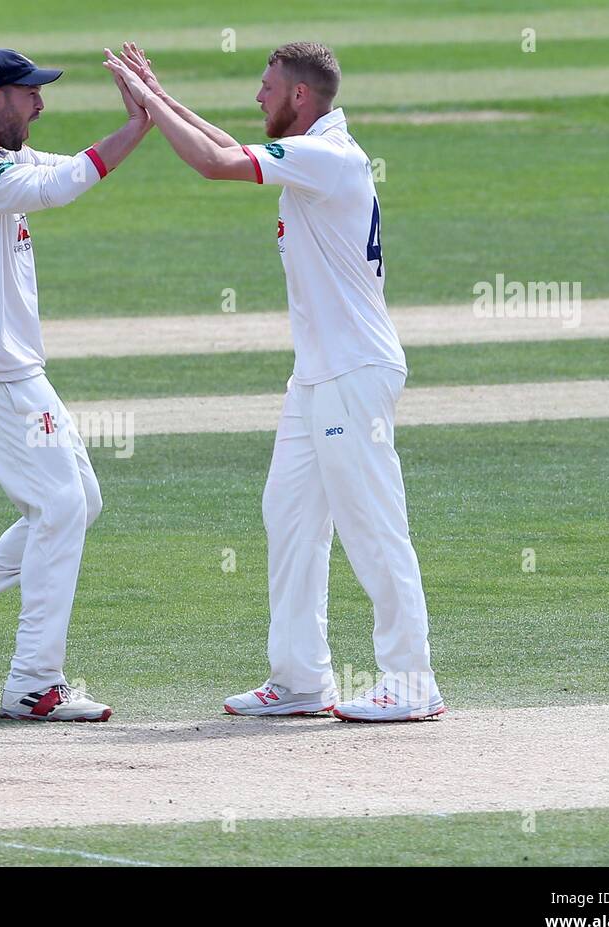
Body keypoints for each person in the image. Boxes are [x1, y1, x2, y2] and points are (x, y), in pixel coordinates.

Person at [104, 43, 445, 722]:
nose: (257, 97)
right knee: (288, 516)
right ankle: (299, 680)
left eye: (267, 87)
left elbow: (214, 162)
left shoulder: (330, 157)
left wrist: (147, 105)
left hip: (354, 371)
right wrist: (159, 95)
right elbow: (230, 143)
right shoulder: (312, 154)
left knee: (372, 525)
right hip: (316, 376)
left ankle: (411, 680)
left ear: (300, 97)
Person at [0, 48, 150, 721]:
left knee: (79, 501)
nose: (40, 104)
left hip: (4, 365)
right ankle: (36, 683)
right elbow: (58, 186)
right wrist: (138, 125)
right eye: (28, 93)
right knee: (61, 506)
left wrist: (135, 123)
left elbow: (60, 171)